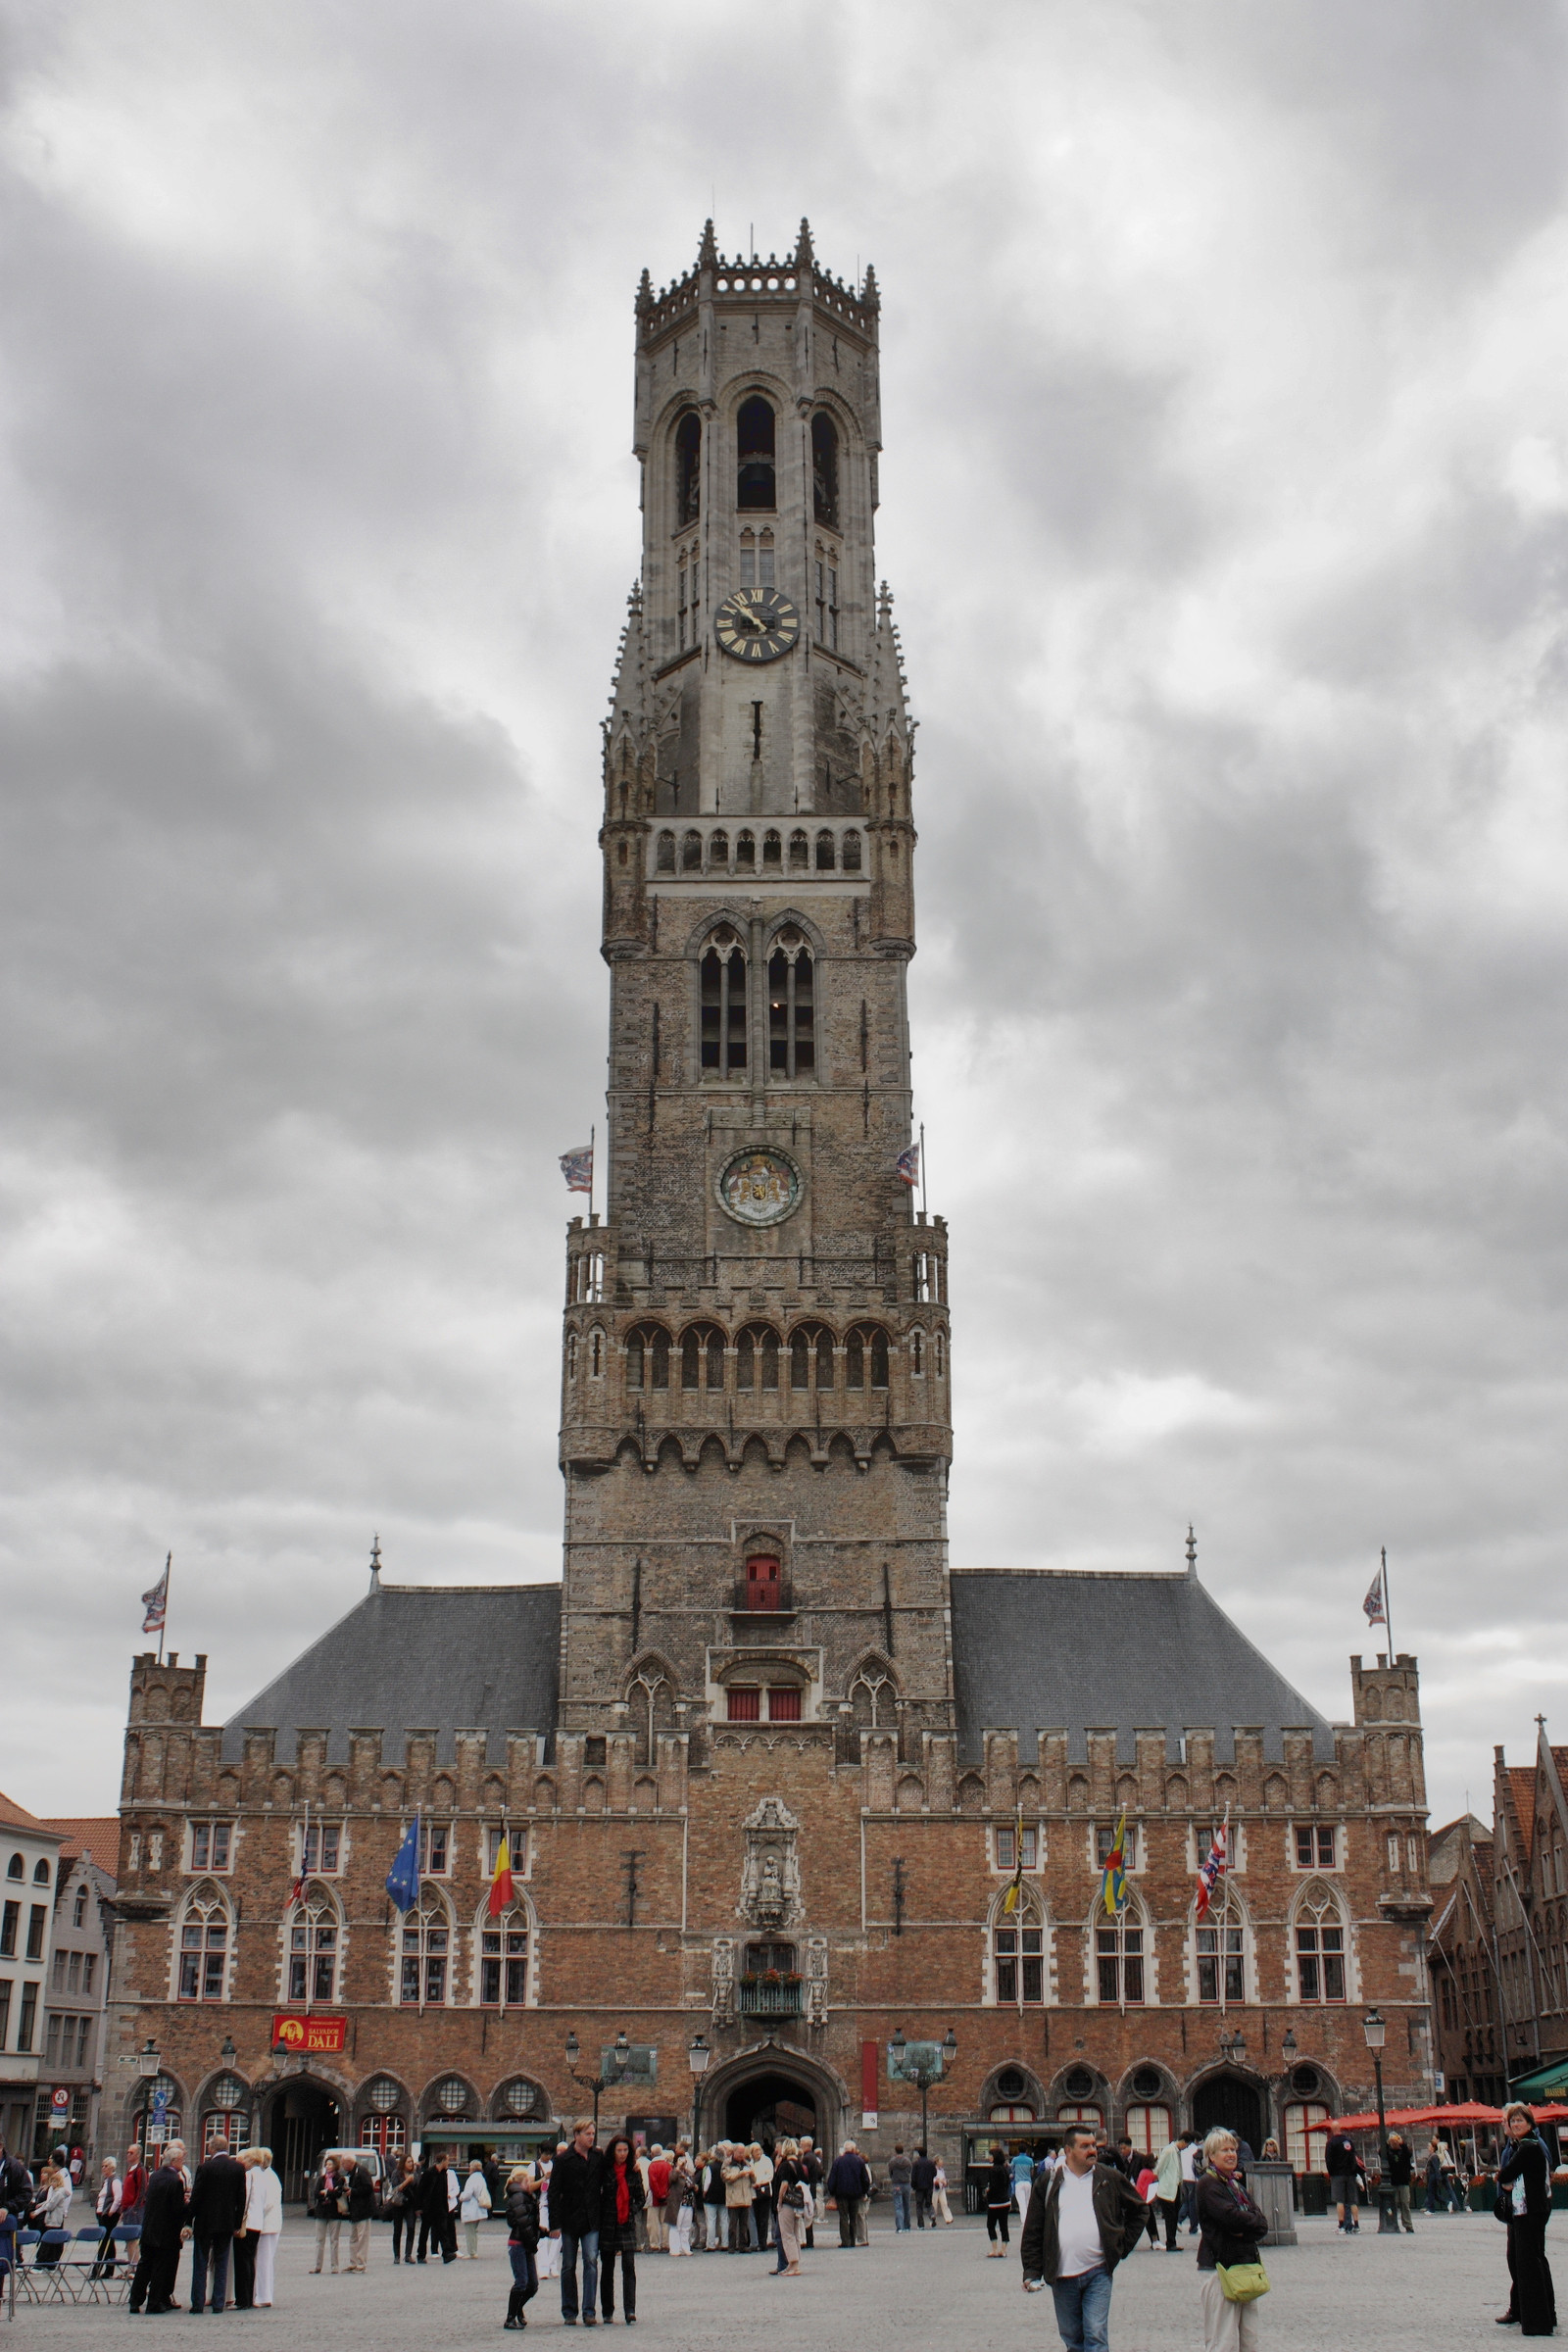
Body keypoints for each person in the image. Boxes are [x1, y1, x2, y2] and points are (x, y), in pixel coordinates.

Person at [1020, 2120, 1148, 2352]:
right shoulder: (1048, 2181)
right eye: (1085, 2146)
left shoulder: (1108, 2177)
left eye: (1093, 2145)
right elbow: (1033, 2229)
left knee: (1095, 2334)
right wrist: (1031, 2271)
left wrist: (1121, 2246)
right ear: (1068, 2150)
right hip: (1062, 2274)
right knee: (1073, 2338)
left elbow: (1140, 2209)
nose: (1092, 2150)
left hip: (1097, 2271)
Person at [1194, 2128, 1269, 2352]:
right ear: (1211, 2156)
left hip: (1244, 2265)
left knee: (1249, 2339)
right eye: (1224, 2150)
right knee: (1223, 2339)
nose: (1231, 2154)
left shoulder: (1235, 2185)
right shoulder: (1209, 2184)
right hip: (1220, 2266)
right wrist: (1248, 2223)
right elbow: (1230, 2218)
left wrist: (1246, 2226)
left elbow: (1262, 2223)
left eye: (1233, 2149)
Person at [1497, 2102, 1556, 2337]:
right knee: (1531, 2263)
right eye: (1512, 2121)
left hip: (1529, 2211)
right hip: (1531, 2209)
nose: (1514, 2124)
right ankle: (1539, 2317)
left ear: (1530, 2123)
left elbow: (1505, 2174)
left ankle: (1536, 2321)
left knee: (1529, 2265)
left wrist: (1506, 2181)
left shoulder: (1529, 2147)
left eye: (1519, 2121)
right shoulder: (1527, 2145)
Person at [551, 2117, 604, 2325]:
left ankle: (589, 2311)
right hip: (570, 2218)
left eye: (593, 2134)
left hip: (591, 2218)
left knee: (591, 2262)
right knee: (568, 2266)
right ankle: (569, 2311)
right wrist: (554, 2223)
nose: (591, 2137)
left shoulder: (598, 2157)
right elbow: (554, 2192)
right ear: (577, 2136)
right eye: (588, 2134)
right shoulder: (563, 2160)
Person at [127, 2139, 190, 2316]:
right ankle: (155, 2302)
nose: (182, 2164)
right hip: (165, 2232)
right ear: (175, 2161)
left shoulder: (155, 2176)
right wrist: (187, 2205)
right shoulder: (175, 2181)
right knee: (160, 2268)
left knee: (145, 2266)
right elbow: (177, 2209)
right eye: (181, 2161)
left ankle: (135, 2301)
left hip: (149, 2229)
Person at [188, 2132, 247, 2315]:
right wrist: (237, 2223)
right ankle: (218, 2303)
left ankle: (198, 2303)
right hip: (226, 2222)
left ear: (211, 2148)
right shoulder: (237, 2168)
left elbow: (196, 2197)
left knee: (201, 2263)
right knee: (222, 2264)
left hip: (205, 2223)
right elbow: (241, 2199)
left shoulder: (205, 2168)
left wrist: (188, 2220)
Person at [599, 2132, 644, 2323]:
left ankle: (630, 2310)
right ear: (613, 2151)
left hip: (626, 2223)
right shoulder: (605, 2170)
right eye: (619, 2150)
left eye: (625, 2150)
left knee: (629, 2268)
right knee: (607, 2269)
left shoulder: (633, 2171)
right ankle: (607, 2311)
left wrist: (631, 2209)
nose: (622, 2154)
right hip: (608, 2222)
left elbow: (641, 2197)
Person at [236, 2144, 282, 2308]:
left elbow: (265, 2203)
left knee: (261, 2261)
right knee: (258, 2261)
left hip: (262, 2223)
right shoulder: (267, 2175)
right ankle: (258, 2295)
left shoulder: (259, 2176)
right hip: (263, 2222)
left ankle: (261, 2296)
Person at [504, 2162, 541, 2329]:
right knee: (522, 2282)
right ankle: (510, 2317)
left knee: (532, 2285)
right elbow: (523, 2223)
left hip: (525, 2242)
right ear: (523, 2180)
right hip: (519, 2243)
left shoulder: (523, 2196)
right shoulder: (519, 2196)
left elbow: (527, 2222)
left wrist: (542, 2232)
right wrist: (533, 2241)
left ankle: (518, 2310)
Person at [824, 2140, 871, 2249]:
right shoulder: (859, 2161)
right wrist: (864, 2192)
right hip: (855, 2194)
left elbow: (832, 2179)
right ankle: (852, 2240)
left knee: (844, 2217)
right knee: (853, 2217)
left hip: (841, 2194)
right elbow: (865, 2179)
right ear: (854, 2149)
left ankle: (845, 2241)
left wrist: (832, 2192)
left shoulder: (838, 2161)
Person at [772, 2135, 807, 2276]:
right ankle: (794, 2263)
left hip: (788, 2203)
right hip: (798, 2203)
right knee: (795, 2233)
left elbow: (784, 2184)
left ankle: (794, 2264)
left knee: (787, 2234)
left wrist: (779, 2200)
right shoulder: (799, 2164)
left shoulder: (785, 2165)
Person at [340, 2150, 376, 2271]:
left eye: (343, 2163)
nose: (342, 2166)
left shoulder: (362, 2171)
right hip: (355, 2210)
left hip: (363, 2210)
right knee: (354, 2238)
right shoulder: (352, 2173)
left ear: (349, 2163)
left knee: (362, 2238)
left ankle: (361, 2264)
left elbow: (368, 2188)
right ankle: (353, 2262)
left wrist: (353, 2191)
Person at [32, 2161, 72, 2265]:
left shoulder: (57, 2193)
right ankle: (46, 2261)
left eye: (54, 2181)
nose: (53, 2183)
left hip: (53, 2219)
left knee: (49, 2241)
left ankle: (44, 2261)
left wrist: (38, 2210)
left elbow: (50, 2204)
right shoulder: (50, 2190)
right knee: (47, 2241)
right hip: (48, 2218)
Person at [1323, 2129, 1362, 2234]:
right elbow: (1354, 2157)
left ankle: (1341, 2226)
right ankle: (1357, 2226)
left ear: (1332, 2131)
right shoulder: (1349, 2141)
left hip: (1338, 2175)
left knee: (1340, 2201)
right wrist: (1353, 2171)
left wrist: (1331, 2173)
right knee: (1352, 2201)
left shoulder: (1331, 2143)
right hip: (1350, 2175)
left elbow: (1328, 2160)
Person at [90, 2156, 122, 2278]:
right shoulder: (106, 2181)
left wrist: (111, 2211)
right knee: (108, 2242)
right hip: (102, 2214)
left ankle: (97, 2269)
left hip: (109, 2215)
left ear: (112, 2167)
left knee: (104, 2241)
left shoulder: (115, 2181)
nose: (104, 2168)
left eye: (106, 2166)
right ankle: (109, 2269)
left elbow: (118, 2198)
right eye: (103, 2166)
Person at [386, 2150, 419, 2264]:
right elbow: (396, 2188)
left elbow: (417, 2189)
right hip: (398, 2203)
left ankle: (408, 2255)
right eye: (409, 2162)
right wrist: (407, 2181)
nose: (411, 2164)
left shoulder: (415, 2174)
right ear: (403, 2163)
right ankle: (396, 2256)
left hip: (410, 2204)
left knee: (411, 2228)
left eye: (412, 2162)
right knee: (397, 2229)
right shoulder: (397, 2173)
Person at [1152, 2133, 1184, 2251]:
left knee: (1174, 2216)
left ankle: (1172, 2241)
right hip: (1167, 2188)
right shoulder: (1169, 2150)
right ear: (1183, 2141)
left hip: (1175, 2187)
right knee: (1170, 2217)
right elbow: (1159, 2167)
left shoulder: (1176, 2151)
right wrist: (1162, 2180)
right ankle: (1171, 2243)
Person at [722, 2141, 755, 2251]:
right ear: (734, 2152)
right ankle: (731, 2246)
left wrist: (752, 2174)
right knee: (732, 2224)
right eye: (739, 2152)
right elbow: (725, 2177)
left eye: (743, 2152)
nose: (741, 2155)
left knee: (744, 2225)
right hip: (733, 2198)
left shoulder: (747, 2163)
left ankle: (742, 2245)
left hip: (745, 2197)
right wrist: (739, 2175)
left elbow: (754, 2181)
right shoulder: (727, 2163)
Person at [460, 2157, 493, 2259]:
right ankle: (473, 2251)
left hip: (471, 2208)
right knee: (474, 2231)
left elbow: (468, 2194)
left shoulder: (472, 2178)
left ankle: (472, 2252)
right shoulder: (481, 2178)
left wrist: (461, 2196)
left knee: (470, 2232)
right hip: (478, 2208)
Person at [1384, 2132, 1415, 2234]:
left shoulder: (1404, 2150)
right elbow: (1381, 2153)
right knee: (1394, 2204)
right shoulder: (1388, 2152)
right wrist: (1388, 2144)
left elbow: (1409, 2154)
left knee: (1405, 2204)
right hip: (1393, 2181)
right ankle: (1393, 2224)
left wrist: (1402, 2144)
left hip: (1404, 2181)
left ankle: (1408, 2225)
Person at [799, 2137, 824, 2248]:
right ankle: (809, 2240)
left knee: (806, 2215)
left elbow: (805, 2175)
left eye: (800, 2144)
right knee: (808, 2214)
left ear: (805, 2145)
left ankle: (808, 2240)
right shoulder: (813, 2157)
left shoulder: (807, 2158)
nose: (799, 2146)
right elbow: (820, 2172)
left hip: (809, 2187)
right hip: (813, 2186)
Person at [644, 2144, 669, 2253]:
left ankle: (654, 2244)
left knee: (653, 2222)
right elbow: (670, 2181)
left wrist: (659, 2194)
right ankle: (665, 2244)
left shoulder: (652, 2166)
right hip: (666, 2196)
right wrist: (665, 2194)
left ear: (652, 2153)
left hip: (654, 2197)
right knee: (665, 2222)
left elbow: (653, 2182)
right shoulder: (668, 2165)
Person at [750, 2141, 773, 2255]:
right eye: (755, 2151)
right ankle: (757, 2240)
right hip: (754, 2192)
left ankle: (763, 2243)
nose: (758, 2152)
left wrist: (759, 2183)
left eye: (759, 2150)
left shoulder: (767, 2161)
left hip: (764, 2192)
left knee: (764, 2218)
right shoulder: (750, 2163)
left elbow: (770, 2175)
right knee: (756, 2218)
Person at [702, 2146, 726, 2253]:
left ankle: (711, 2244)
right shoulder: (725, 2166)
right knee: (724, 2221)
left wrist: (704, 2192)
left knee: (711, 2221)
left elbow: (707, 2181)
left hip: (711, 2195)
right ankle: (725, 2243)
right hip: (723, 2195)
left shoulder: (710, 2167)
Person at [888, 2144, 914, 2233]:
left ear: (895, 2151)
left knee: (898, 2206)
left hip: (896, 2184)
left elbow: (890, 2172)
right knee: (907, 2206)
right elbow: (910, 2170)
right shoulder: (907, 2161)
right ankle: (907, 2226)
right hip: (906, 2184)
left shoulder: (892, 2162)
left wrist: (894, 2178)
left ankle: (899, 2227)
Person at [1134, 2159, 1160, 2247]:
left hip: (1139, 2198)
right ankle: (1155, 2241)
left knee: (1148, 2222)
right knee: (1151, 2222)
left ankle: (1154, 2241)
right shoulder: (1149, 2174)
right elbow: (1148, 2189)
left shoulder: (1143, 2171)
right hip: (1144, 2200)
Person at [121, 2144, 148, 2227]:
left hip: (134, 2209)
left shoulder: (140, 2170)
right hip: (127, 2208)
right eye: (127, 2152)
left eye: (131, 2153)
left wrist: (135, 2209)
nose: (128, 2155)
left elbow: (142, 2190)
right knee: (128, 2236)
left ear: (138, 2155)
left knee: (133, 2235)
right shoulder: (130, 2169)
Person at [1178, 2132, 1200, 2235]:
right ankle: (1193, 2227)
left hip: (1184, 2178)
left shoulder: (1182, 2150)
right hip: (1193, 2178)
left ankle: (1179, 2220)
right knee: (1192, 2204)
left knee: (1186, 2201)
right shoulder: (1195, 2149)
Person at [911, 2147, 937, 2229]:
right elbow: (935, 2173)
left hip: (919, 2187)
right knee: (929, 2203)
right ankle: (932, 2214)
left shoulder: (916, 2164)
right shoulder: (931, 2163)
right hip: (929, 2186)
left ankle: (921, 2224)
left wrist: (914, 2186)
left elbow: (913, 2176)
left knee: (919, 2205)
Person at [932, 2154, 955, 2226]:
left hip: (941, 2188)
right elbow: (933, 2179)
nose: (942, 2162)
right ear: (937, 2161)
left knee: (944, 2203)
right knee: (934, 2205)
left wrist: (944, 2182)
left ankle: (948, 2218)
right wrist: (938, 2181)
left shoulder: (941, 2170)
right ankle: (933, 2219)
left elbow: (944, 2178)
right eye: (940, 2160)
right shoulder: (933, 2169)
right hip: (935, 2189)